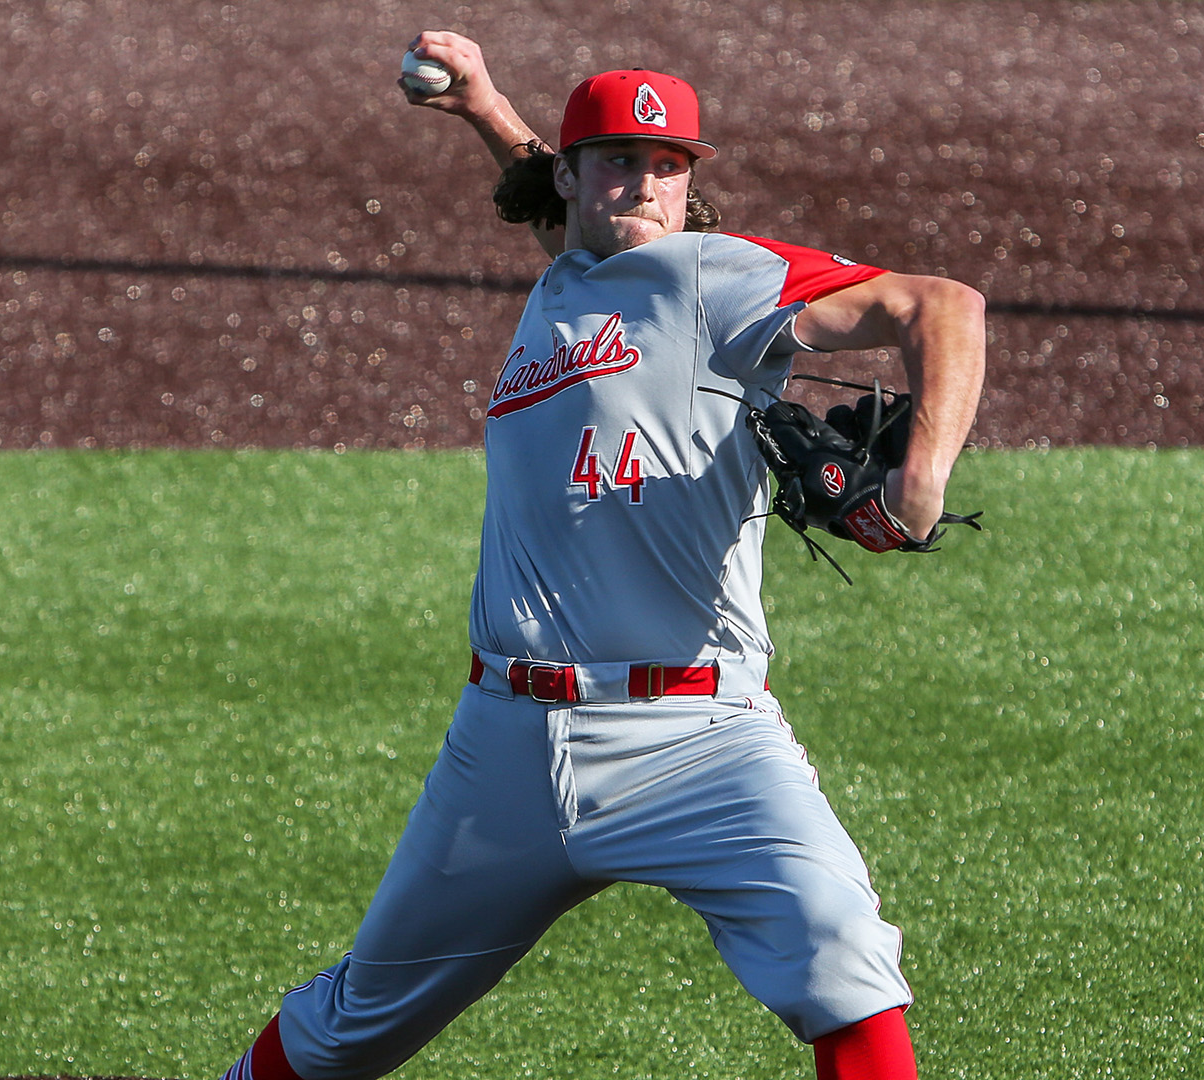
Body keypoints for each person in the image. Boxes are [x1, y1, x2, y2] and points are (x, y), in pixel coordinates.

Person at [219, 30, 986, 1080]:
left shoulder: (718, 279)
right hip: (505, 746)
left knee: (842, 958)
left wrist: (922, 476)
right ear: (575, 174)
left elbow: (940, 304)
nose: (647, 183)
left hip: (698, 737)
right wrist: (487, 107)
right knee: (351, 1022)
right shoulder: (573, 278)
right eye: (622, 159)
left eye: (669, 166)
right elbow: (562, 214)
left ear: (690, 186)